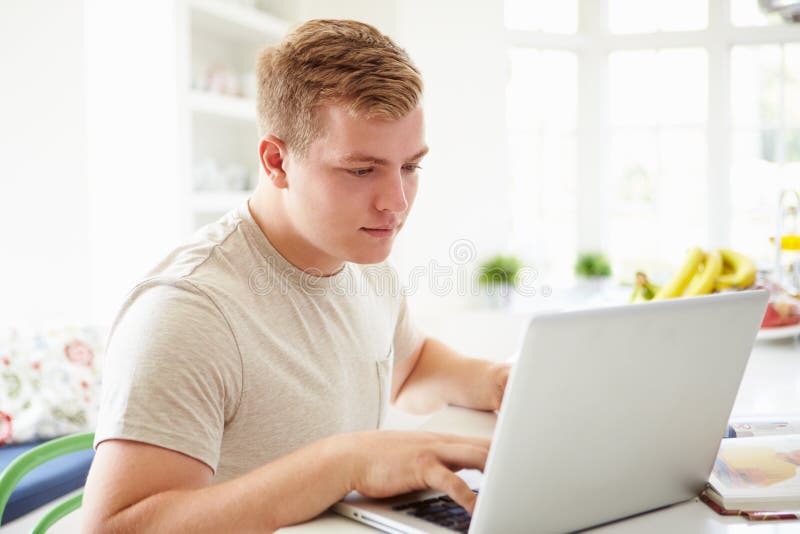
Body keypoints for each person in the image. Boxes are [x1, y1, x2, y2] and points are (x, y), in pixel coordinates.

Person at [82, 19, 510, 532]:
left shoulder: (364, 262)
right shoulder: (188, 311)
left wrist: (494, 383)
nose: (396, 203)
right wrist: (346, 463)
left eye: (410, 167)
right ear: (276, 161)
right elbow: (116, 528)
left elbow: (411, 366)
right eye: (361, 170)